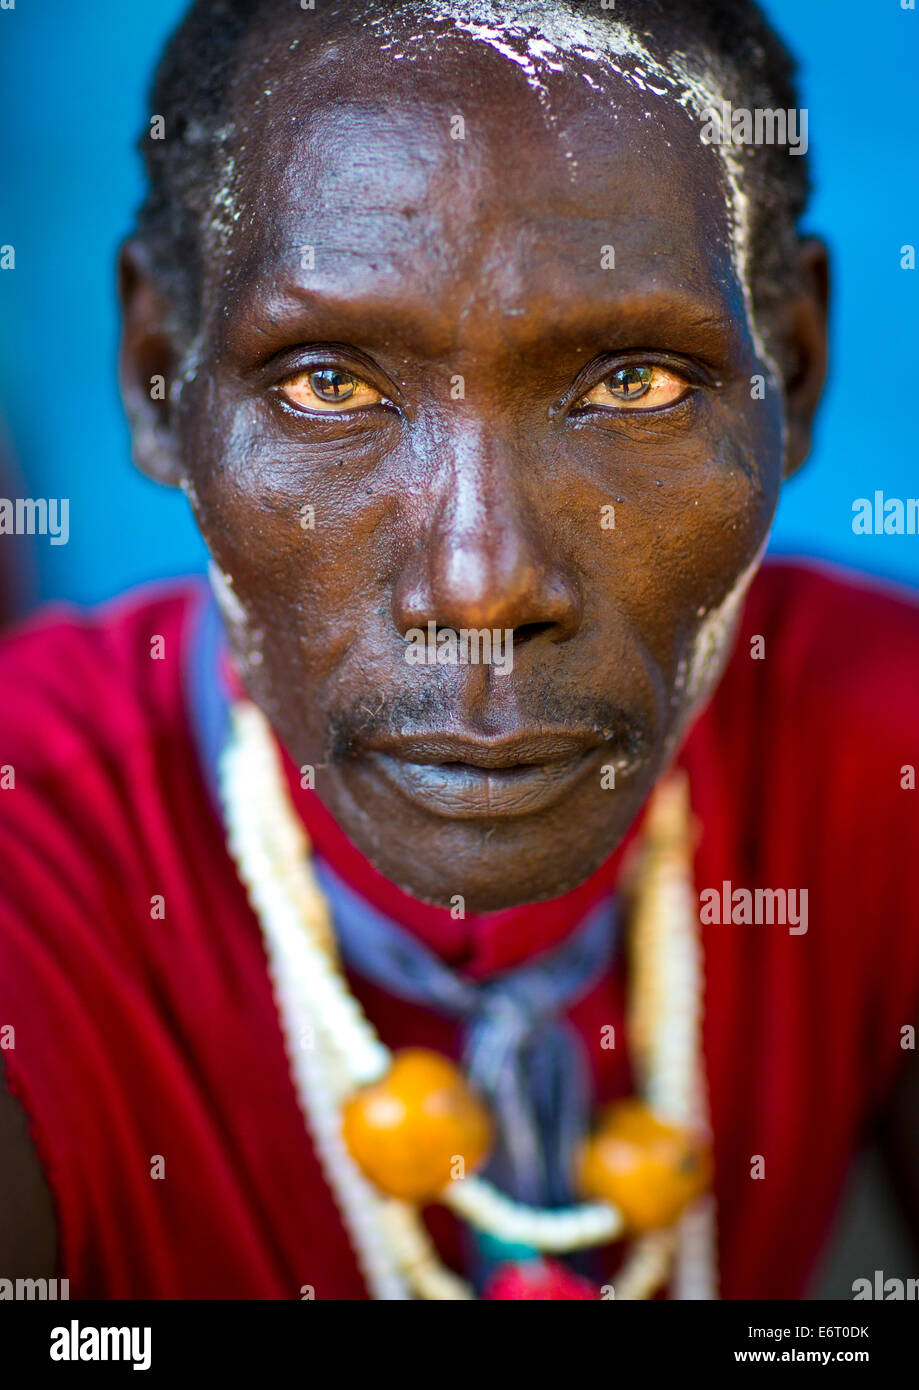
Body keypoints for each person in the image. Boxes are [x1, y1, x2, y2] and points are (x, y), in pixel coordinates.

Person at [0, 0, 917, 1301]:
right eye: (330, 382)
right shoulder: (33, 852)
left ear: (797, 374)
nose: (483, 584)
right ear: (161, 375)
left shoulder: (877, 749)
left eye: (636, 383)